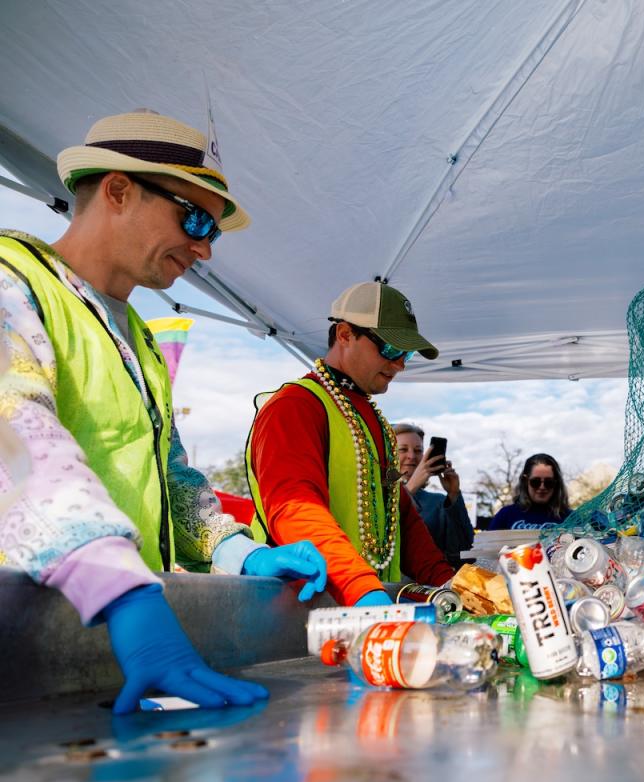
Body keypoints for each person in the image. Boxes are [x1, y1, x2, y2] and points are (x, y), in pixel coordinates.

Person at [0, 110, 326, 714]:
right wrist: (123, 593)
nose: (204, 248)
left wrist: (240, 553)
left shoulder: (141, 341)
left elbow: (170, 477)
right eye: (195, 218)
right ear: (119, 191)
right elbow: (14, 441)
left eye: (214, 233)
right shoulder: (12, 283)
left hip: (109, 661)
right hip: (21, 655)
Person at [246, 281, 456, 606]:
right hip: (300, 612)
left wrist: (450, 584)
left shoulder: (373, 421)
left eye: (408, 353)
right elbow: (295, 508)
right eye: (392, 349)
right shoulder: (295, 406)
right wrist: (362, 591)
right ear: (345, 334)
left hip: (365, 607)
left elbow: (402, 518)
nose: (400, 364)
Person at [393, 422, 474, 562]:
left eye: (418, 450)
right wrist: (409, 490)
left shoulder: (438, 502)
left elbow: (464, 551)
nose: (411, 456)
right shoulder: (372, 497)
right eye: (403, 449)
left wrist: (454, 496)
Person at [488, 454, 572, 530]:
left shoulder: (571, 519)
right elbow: (490, 541)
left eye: (549, 482)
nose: (542, 487)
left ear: (557, 483)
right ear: (525, 481)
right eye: (535, 482)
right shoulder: (506, 515)